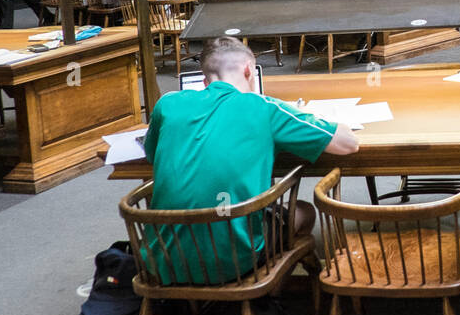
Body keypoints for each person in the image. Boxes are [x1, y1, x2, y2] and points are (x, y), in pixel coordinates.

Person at [143, 37, 358, 284]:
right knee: (304, 212)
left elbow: (151, 154)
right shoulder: (264, 107)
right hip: (235, 261)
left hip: (161, 261)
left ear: (204, 80)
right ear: (248, 70)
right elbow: (348, 143)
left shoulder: (168, 104)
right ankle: (270, 292)